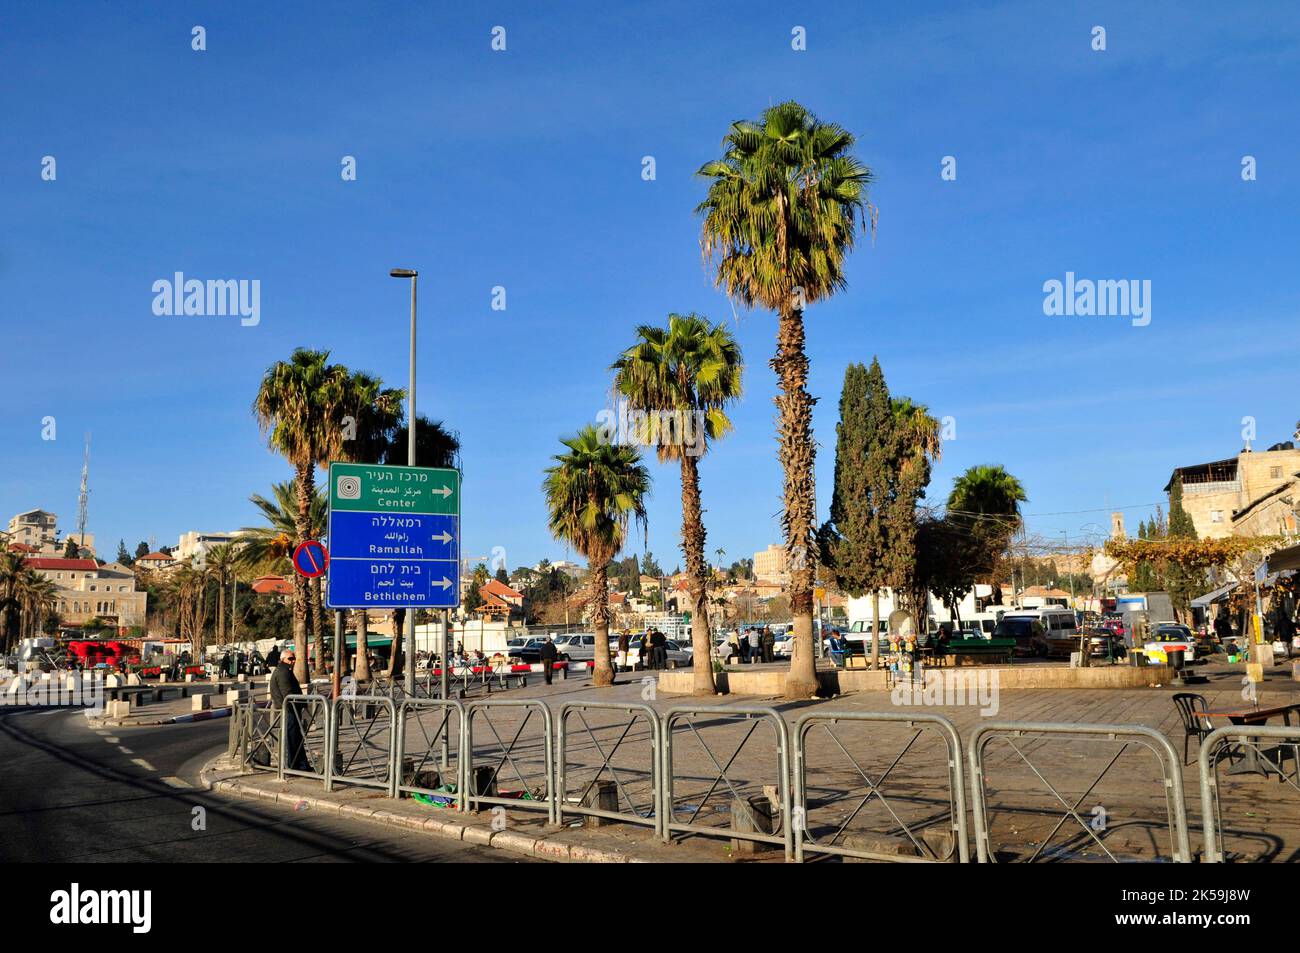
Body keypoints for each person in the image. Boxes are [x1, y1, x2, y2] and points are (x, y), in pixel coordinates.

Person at [271, 650, 310, 772]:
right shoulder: (283, 672)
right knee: (293, 738)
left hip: (291, 709)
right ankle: (294, 766)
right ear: (283, 659)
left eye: (294, 659)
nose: (293, 661)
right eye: (290, 659)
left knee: (296, 738)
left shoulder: (285, 670)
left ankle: (301, 765)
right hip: (289, 710)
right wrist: (300, 703)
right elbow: (287, 693)